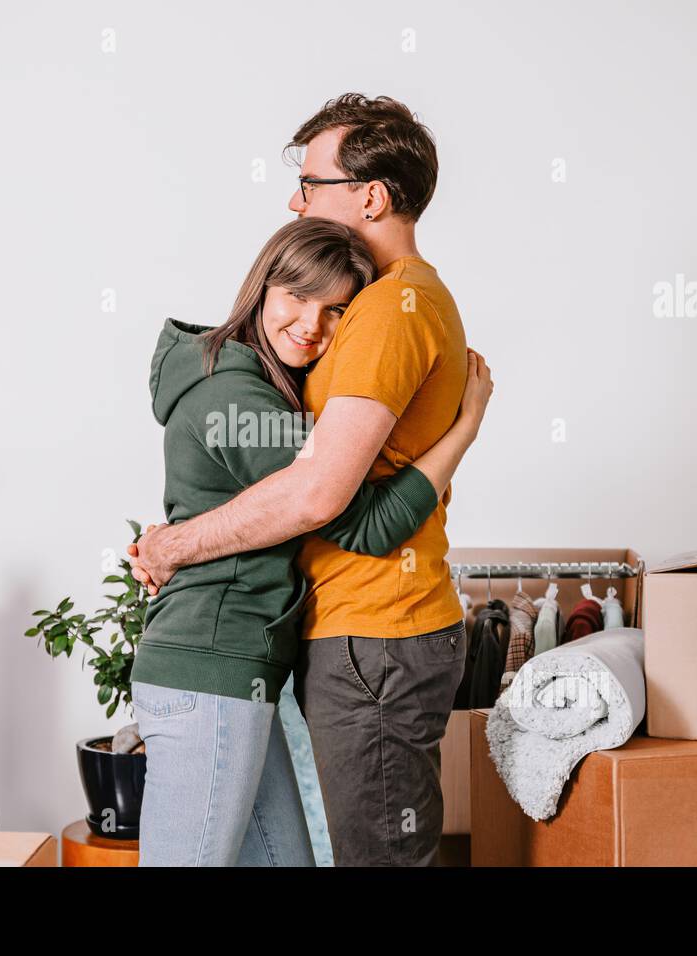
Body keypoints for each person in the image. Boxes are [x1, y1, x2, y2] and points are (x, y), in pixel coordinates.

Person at [130, 93, 494, 866]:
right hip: (288, 646)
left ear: (370, 196)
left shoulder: (388, 310)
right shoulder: (357, 317)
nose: (296, 200)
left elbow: (322, 495)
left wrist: (174, 545)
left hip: (373, 633)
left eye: (312, 182)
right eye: (298, 298)